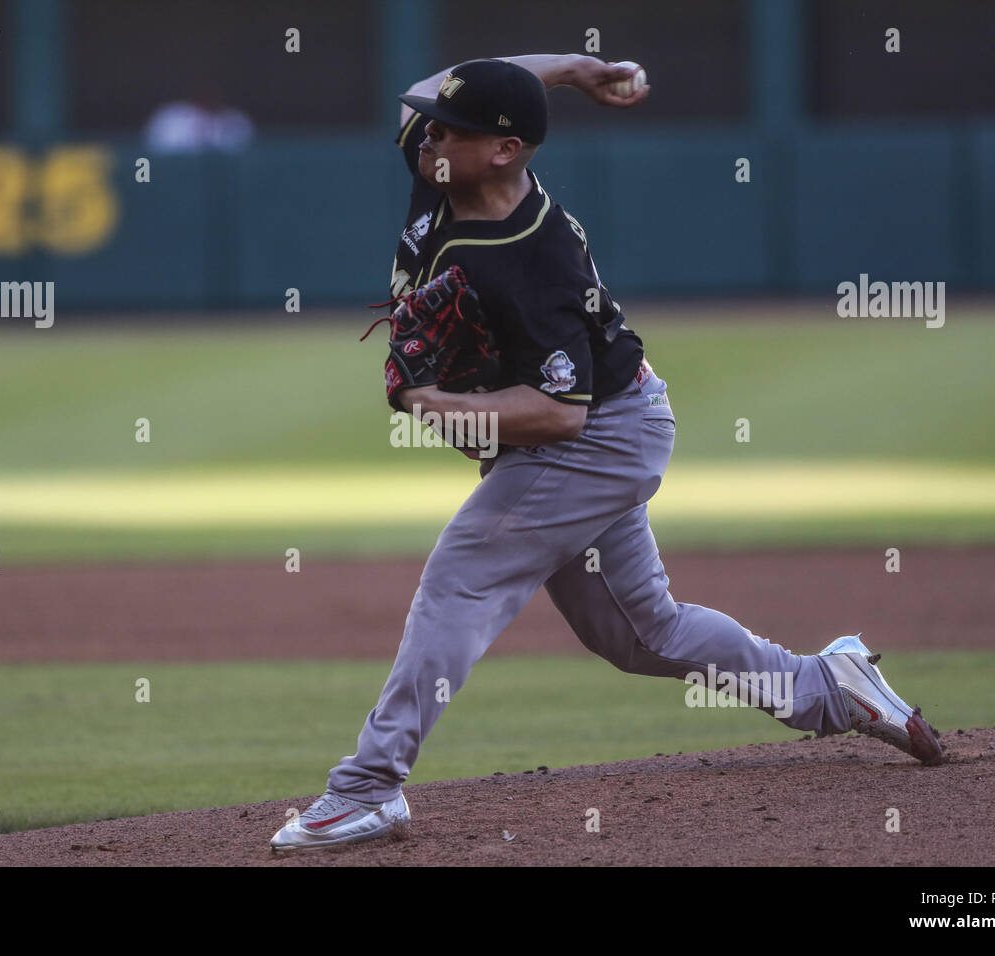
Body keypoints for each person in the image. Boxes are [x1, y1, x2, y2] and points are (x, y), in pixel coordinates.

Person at [270, 55, 943, 851]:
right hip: (593, 429)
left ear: (504, 150)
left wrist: (432, 402)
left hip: (603, 436)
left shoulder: (534, 255)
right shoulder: (444, 166)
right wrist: (573, 70)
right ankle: (829, 687)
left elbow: (559, 414)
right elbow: (474, 78)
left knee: (460, 579)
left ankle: (368, 787)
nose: (427, 134)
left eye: (450, 128)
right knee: (639, 633)